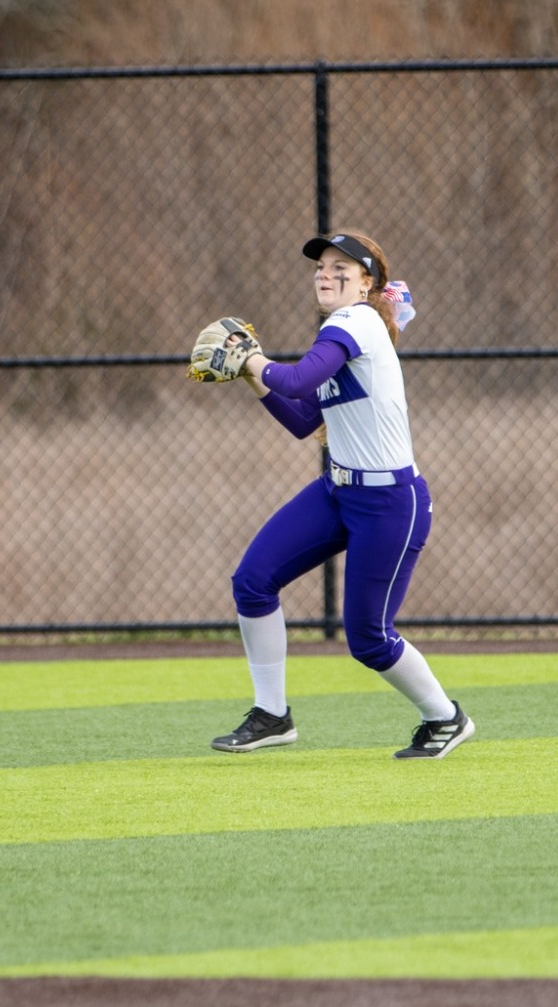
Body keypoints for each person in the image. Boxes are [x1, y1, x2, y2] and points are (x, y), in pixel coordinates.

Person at [210, 231, 475, 760]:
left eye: (341, 268)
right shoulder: (345, 329)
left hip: (389, 504)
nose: (326, 273)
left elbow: (298, 378)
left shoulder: (357, 321)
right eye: (321, 266)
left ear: (367, 284)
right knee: (254, 582)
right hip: (338, 492)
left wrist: (251, 359)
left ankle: (445, 718)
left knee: (369, 638)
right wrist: (252, 375)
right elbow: (305, 418)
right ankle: (272, 714)